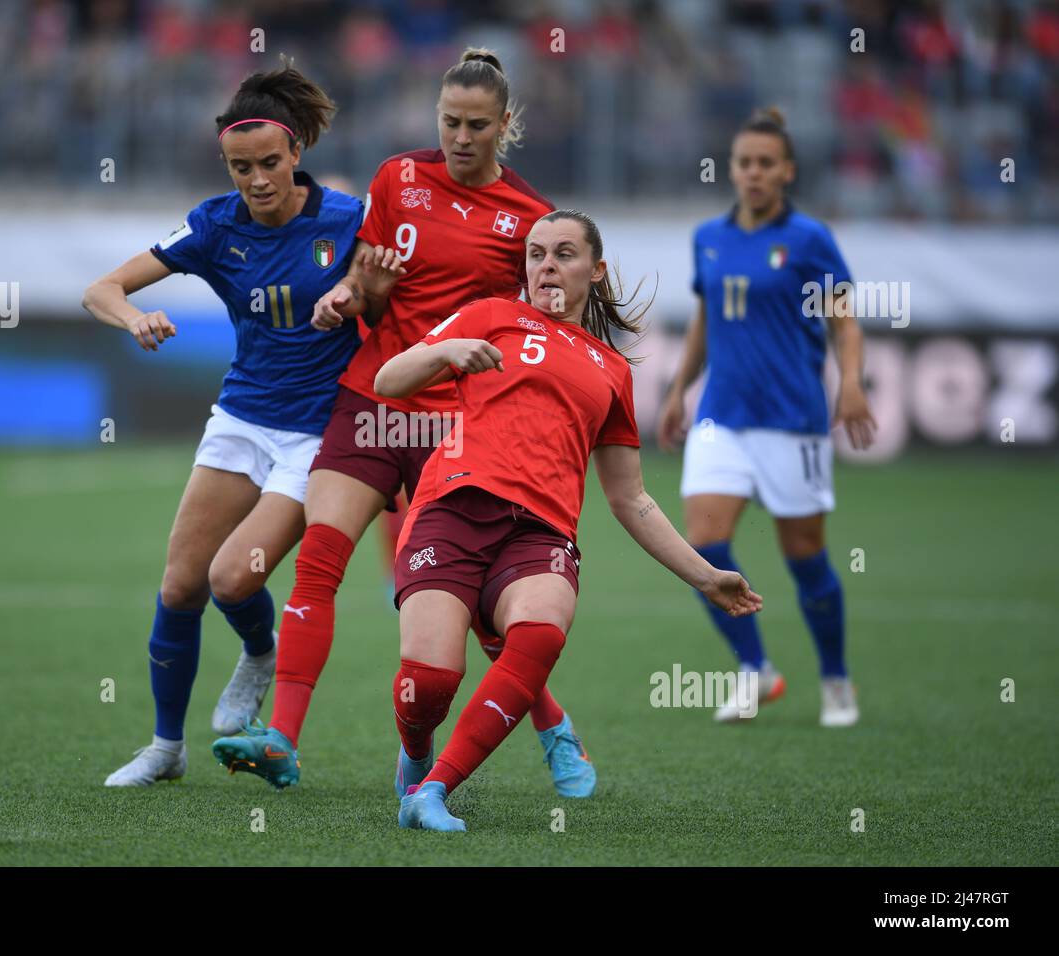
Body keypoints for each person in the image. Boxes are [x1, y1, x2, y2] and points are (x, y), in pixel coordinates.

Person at [212, 48, 599, 798]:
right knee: (319, 560)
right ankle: (281, 738)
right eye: (449, 121)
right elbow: (369, 280)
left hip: (454, 426)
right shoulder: (398, 179)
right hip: (372, 396)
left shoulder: (526, 218)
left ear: (505, 125)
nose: (460, 136)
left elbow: (529, 324)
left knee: (465, 598)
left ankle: (554, 727)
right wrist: (350, 297)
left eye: (477, 124)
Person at [375, 209, 762, 831]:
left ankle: (433, 791)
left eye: (563, 253)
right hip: (452, 508)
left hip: (540, 533)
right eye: (535, 254)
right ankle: (416, 752)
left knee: (540, 634)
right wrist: (446, 349)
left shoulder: (611, 372)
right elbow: (388, 379)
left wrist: (707, 576)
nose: (546, 266)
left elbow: (631, 499)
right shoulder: (489, 315)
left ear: (596, 269)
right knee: (429, 682)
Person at [81, 61, 371, 786]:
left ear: (297, 151)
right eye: (240, 167)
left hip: (318, 436)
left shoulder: (349, 218)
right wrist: (133, 316)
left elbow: (399, 286)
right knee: (180, 587)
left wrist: (358, 293)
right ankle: (165, 750)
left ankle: (260, 651)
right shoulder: (213, 226)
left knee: (231, 581)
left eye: (269, 163)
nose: (257, 180)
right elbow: (101, 289)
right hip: (241, 418)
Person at [657, 107, 876, 727]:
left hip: (791, 420)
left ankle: (835, 679)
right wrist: (679, 389)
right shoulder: (709, 237)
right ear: (732, 169)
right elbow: (705, 321)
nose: (753, 174)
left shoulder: (809, 239)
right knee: (703, 544)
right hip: (722, 415)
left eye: (765, 164)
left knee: (805, 558)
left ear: (787, 171)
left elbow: (845, 320)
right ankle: (756, 670)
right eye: (744, 163)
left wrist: (851, 383)